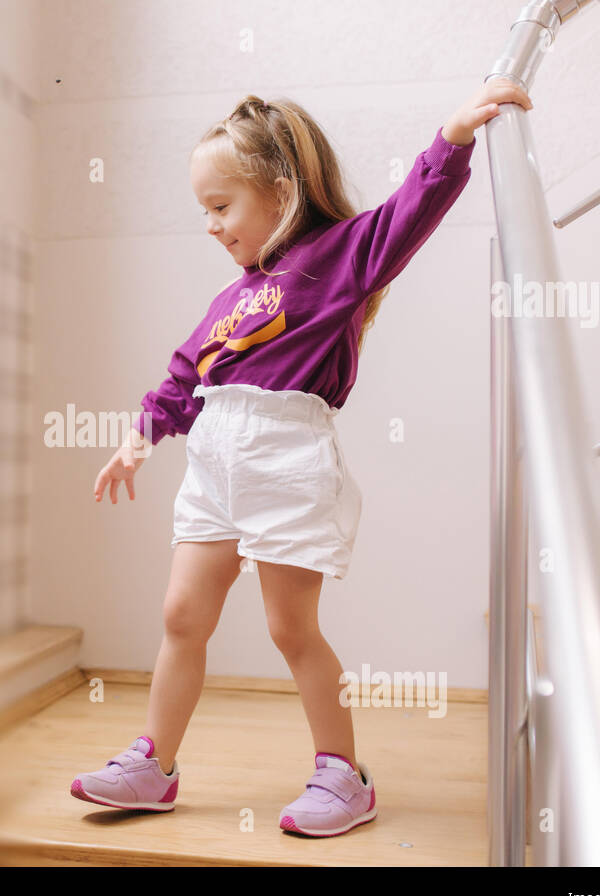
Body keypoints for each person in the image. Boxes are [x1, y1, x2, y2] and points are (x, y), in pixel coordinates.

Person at [72, 78, 532, 836]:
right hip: (215, 470)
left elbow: (407, 214)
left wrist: (451, 139)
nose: (211, 226)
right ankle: (154, 764)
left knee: (291, 629)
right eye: (205, 210)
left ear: (280, 193)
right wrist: (137, 441)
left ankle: (343, 775)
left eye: (221, 207)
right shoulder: (231, 301)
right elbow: (184, 378)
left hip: (285, 463)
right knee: (181, 614)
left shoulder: (340, 256)